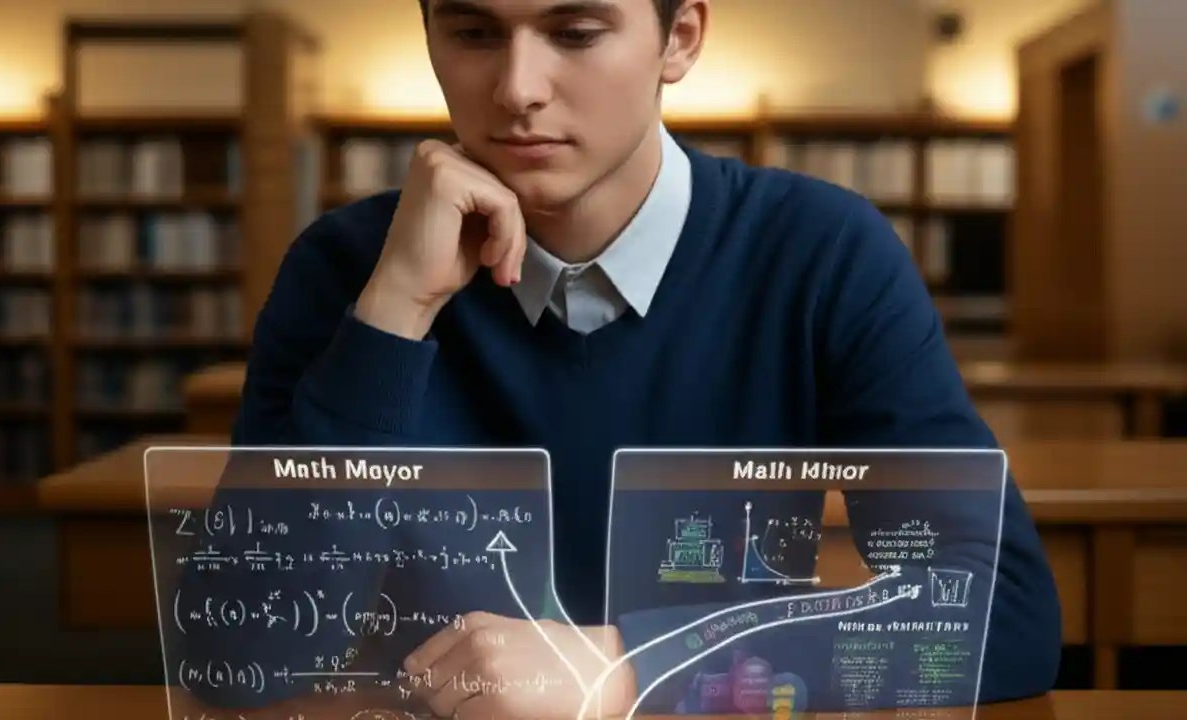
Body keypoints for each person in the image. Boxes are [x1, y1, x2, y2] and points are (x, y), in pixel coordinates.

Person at [228, 0, 1062, 717]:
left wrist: (632, 665)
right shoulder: (347, 269)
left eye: (576, 33)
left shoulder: (822, 253)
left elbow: (1002, 614)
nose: (517, 89)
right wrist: (394, 312)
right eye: (474, 33)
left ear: (680, 39)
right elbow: (243, 653)